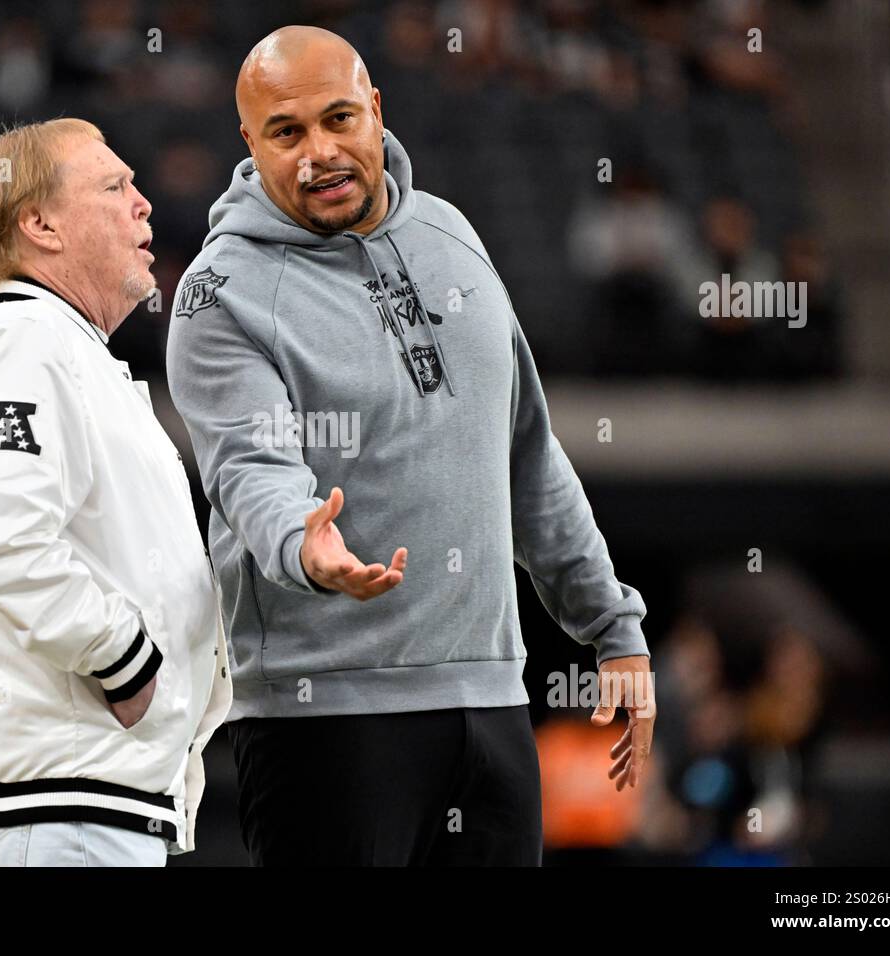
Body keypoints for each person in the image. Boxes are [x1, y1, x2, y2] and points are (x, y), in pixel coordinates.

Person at [166, 27, 653, 866]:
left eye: (338, 119)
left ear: (377, 113)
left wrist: (613, 626)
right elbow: (252, 466)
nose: (319, 153)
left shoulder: (450, 233)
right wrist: (301, 544)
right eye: (287, 132)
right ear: (250, 143)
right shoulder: (220, 295)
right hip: (326, 719)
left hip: (493, 704)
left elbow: (528, 455)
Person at [0, 118, 230, 867]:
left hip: (95, 796)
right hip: (67, 798)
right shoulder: (25, 340)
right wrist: (126, 660)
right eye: (113, 185)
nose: (144, 203)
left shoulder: (63, 350)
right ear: (39, 224)